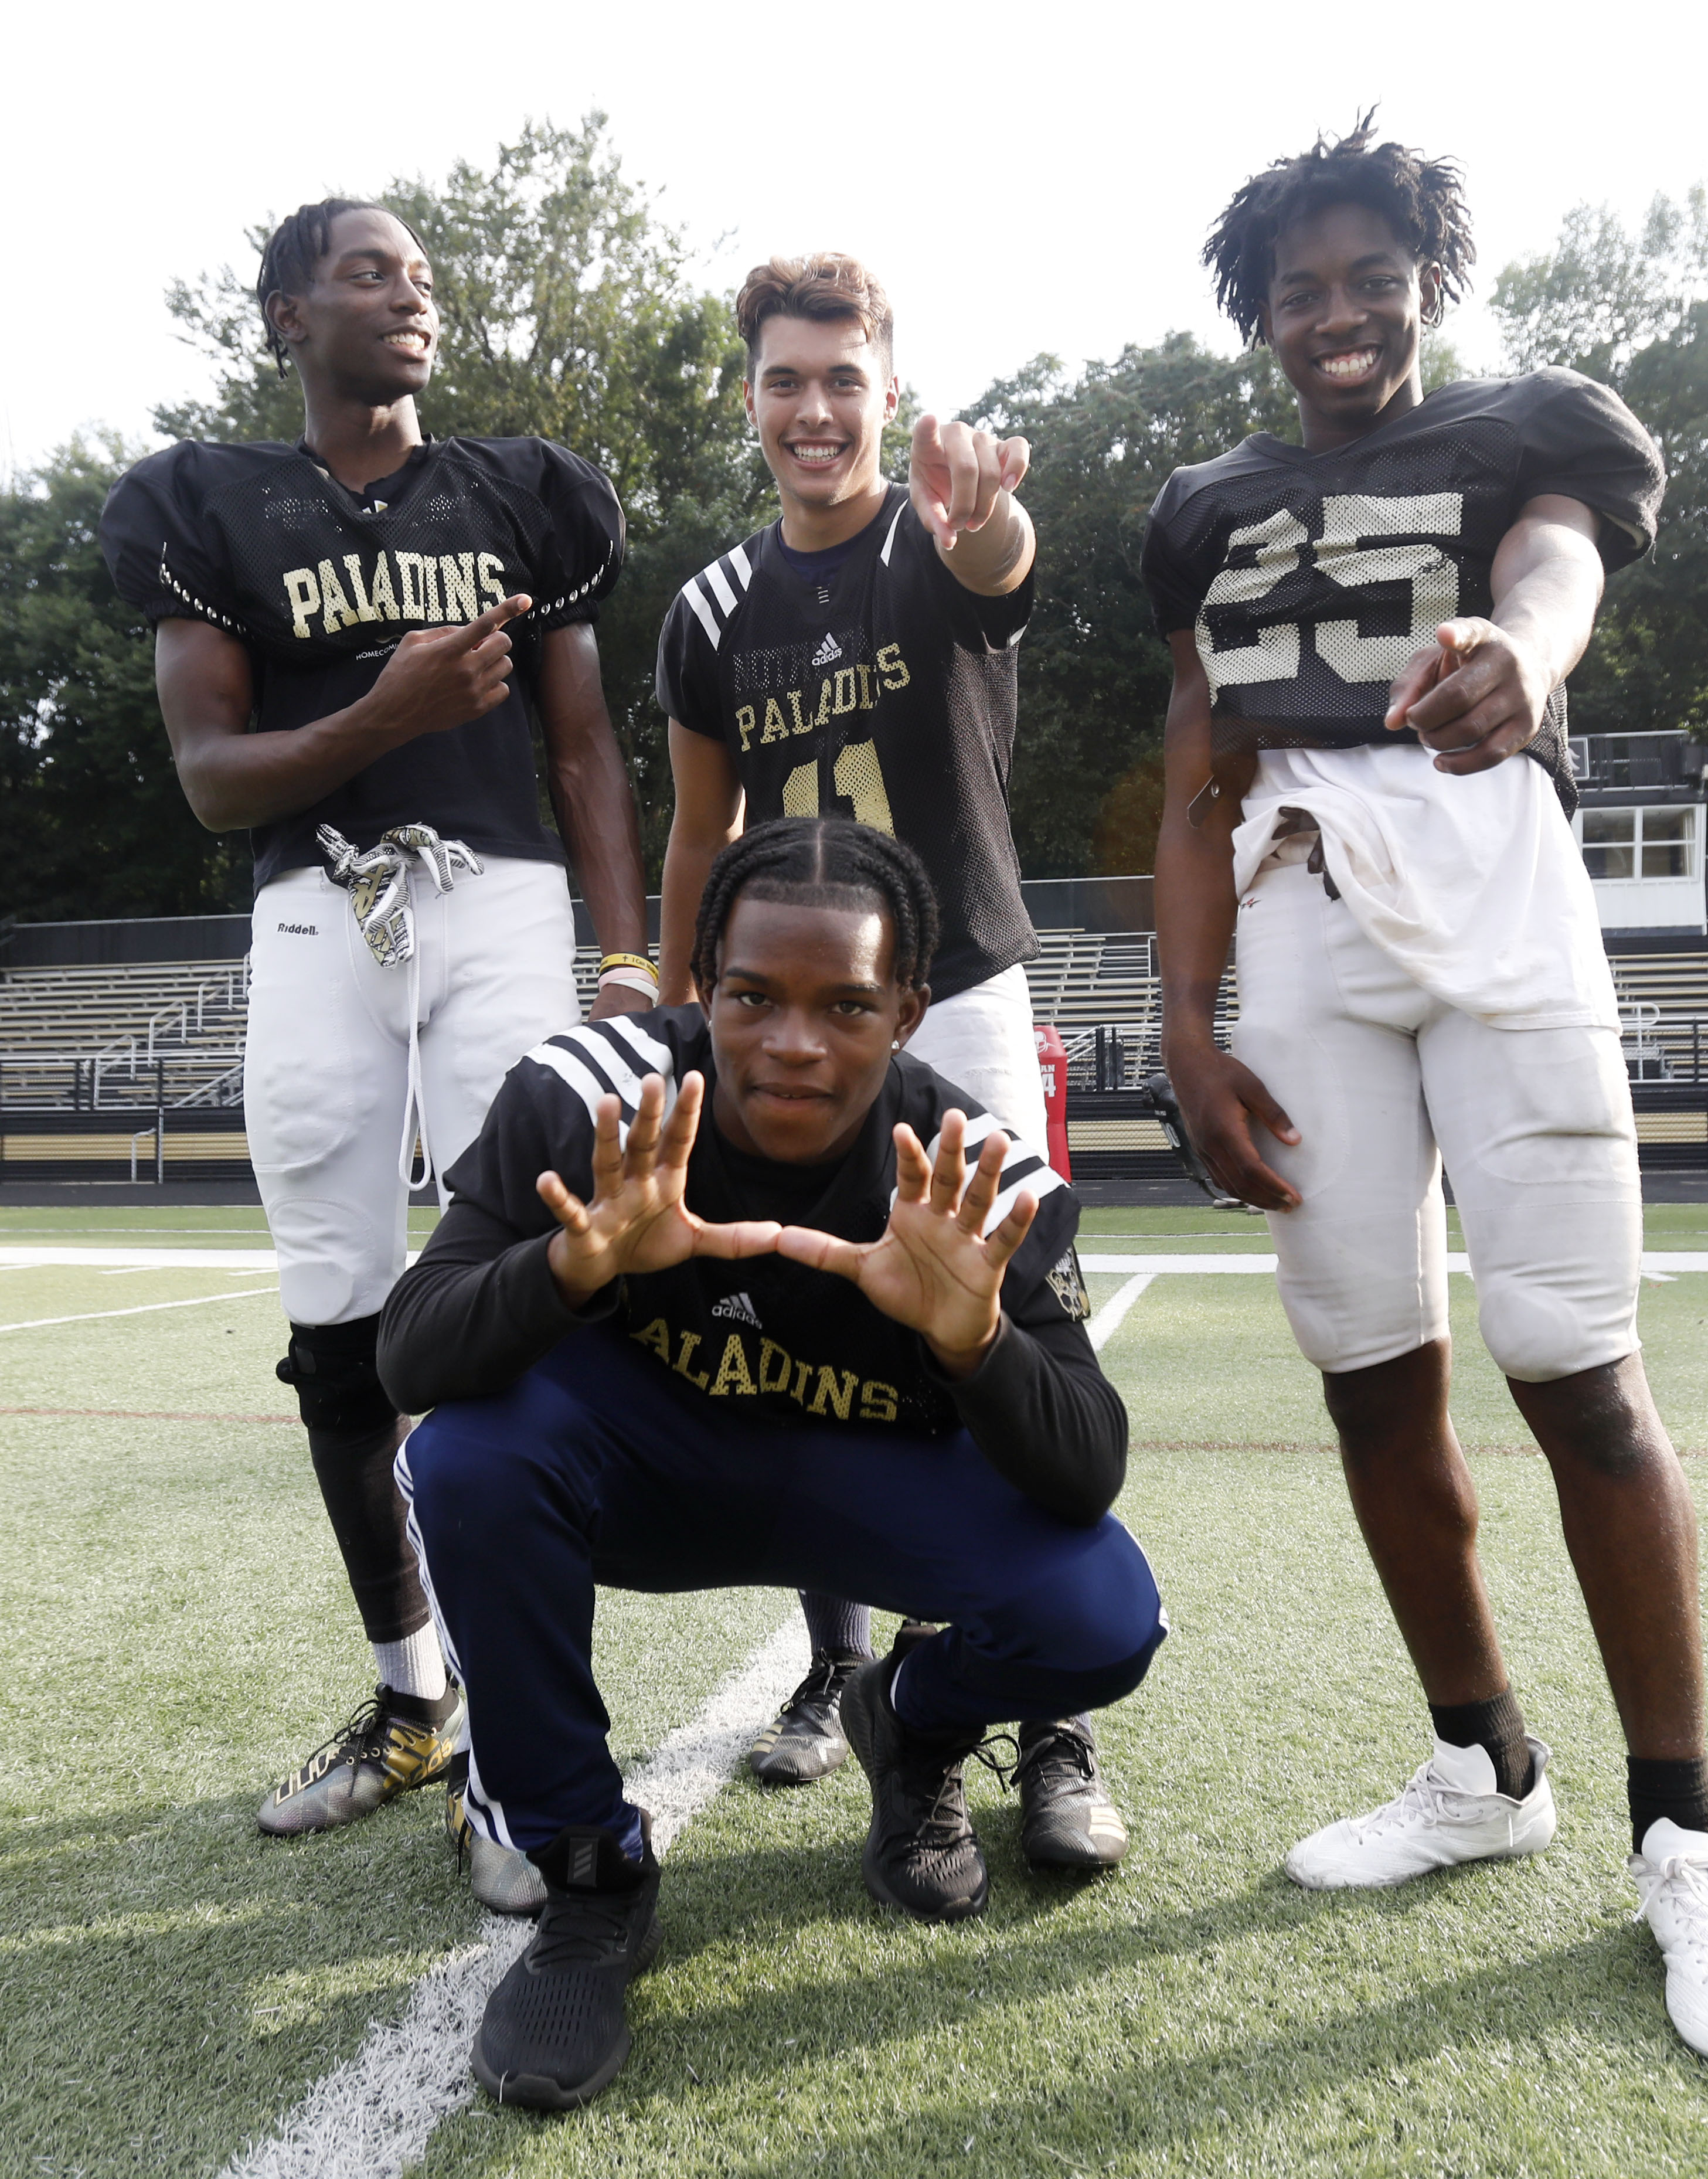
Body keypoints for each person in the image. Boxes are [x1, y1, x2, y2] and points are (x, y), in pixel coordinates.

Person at [1144, 120, 1708, 2067]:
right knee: (1367, 1357)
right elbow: (1195, 747)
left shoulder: (1523, 429)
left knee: (1573, 1359)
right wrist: (1184, 1020)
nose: (1334, 310)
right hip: (1296, 906)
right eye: (1299, 285)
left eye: (1368, 275)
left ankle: (1680, 1825)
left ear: (1426, 280)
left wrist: (1521, 654)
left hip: (1491, 878)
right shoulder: (1207, 497)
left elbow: (1553, 553)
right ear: (1257, 312)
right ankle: (1478, 1759)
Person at [378, 818, 1164, 2110]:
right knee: (467, 1456)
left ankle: (910, 1719)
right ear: (701, 982)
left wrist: (971, 1337)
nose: (793, 1041)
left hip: (871, 1482)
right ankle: (589, 1875)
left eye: (846, 1004)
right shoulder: (591, 1095)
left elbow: (1086, 1467)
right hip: (646, 1471)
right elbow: (411, 1354)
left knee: (1101, 1611)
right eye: (752, 995)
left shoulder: (969, 1165)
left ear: (909, 1010)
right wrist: (572, 1265)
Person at [99, 199, 654, 1840]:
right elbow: (211, 777)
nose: (409, 296)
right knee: (339, 1314)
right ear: (287, 313)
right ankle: (417, 1690)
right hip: (314, 902)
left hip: (497, 897)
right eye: (369, 273)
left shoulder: (519, 492)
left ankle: (526, 1737)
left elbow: (586, 748)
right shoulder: (209, 500)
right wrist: (384, 706)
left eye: (422, 275)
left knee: (517, 1290)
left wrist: (626, 959)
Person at [651, 252, 1125, 1869]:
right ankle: (849, 1669)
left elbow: (999, 553)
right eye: (785, 377)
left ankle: (1047, 1712)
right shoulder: (710, 607)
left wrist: (981, 504)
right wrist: (671, 1000)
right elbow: (699, 825)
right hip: (782, 1013)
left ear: (888, 386)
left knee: (995, 1330)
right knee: (815, 1308)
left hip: (954, 996)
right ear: (751, 396)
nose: (813, 407)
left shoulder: (933, 542)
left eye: (843, 377)